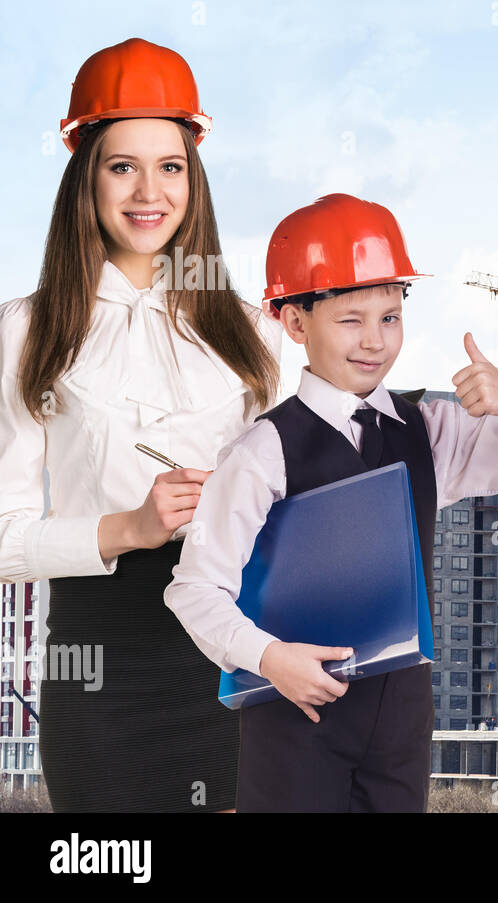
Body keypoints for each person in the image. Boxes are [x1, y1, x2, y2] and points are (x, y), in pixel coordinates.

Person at [163, 193, 498, 812]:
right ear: (295, 322)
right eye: (351, 319)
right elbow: (194, 589)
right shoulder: (262, 451)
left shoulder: (428, 431)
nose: (374, 341)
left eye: (391, 317)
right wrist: (270, 658)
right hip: (295, 712)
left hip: (401, 716)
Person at [0, 38, 283, 812]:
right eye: (121, 164)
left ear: (194, 178)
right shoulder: (26, 330)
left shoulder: (253, 333)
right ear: (85, 176)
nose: (148, 191)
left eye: (171, 166)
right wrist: (126, 525)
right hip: (99, 665)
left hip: (229, 653)